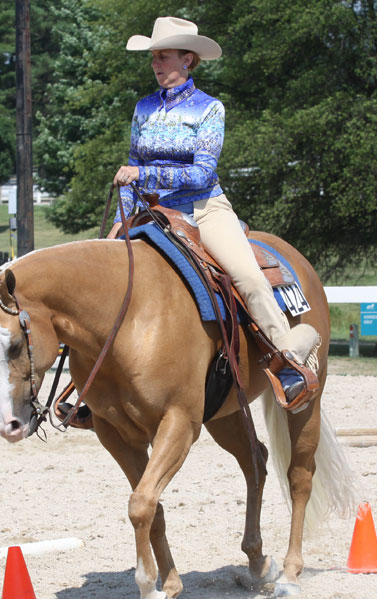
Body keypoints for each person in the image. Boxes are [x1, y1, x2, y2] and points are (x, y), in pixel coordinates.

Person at [109, 16, 319, 405]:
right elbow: (130, 167)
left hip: (204, 208)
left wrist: (143, 173)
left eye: (164, 56)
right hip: (151, 209)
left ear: (188, 59)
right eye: (153, 57)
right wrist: (121, 222)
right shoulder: (143, 108)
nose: (156, 64)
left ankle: (289, 362)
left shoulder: (210, 109)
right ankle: (97, 384)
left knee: (248, 278)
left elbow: (201, 172)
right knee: (101, 275)